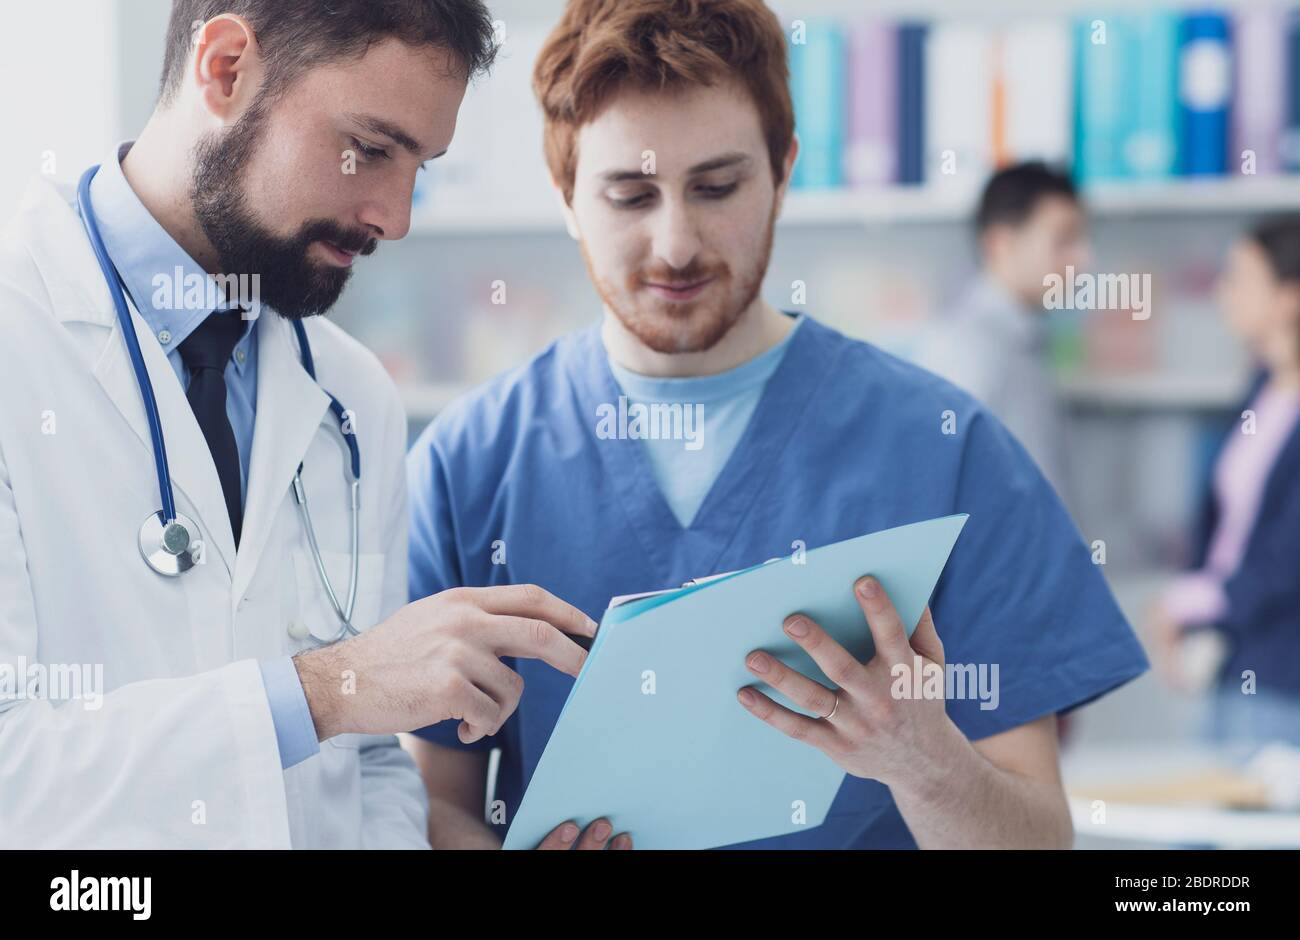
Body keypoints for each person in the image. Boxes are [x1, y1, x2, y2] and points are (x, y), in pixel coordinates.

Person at [405, 0, 1147, 850]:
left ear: (784, 172)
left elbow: (1040, 839)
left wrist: (921, 761)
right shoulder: (469, 464)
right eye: (630, 195)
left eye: (717, 187)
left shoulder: (945, 448)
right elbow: (434, 804)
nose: (676, 244)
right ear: (566, 195)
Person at [0, 0, 596, 849]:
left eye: (418, 165)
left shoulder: (355, 396)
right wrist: (326, 691)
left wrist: (351, 710)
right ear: (226, 68)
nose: (395, 215)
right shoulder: (19, 341)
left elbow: (372, 768)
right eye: (371, 148)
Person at [1149, 218, 1300, 747]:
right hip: (1228, 655)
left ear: (1289, 296)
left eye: (1239, 278)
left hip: (1283, 672)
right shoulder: (1261, 387)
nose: (1223, 293)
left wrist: (1185, 602)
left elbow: (1285, 560)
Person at [912, 162, 1091, 496]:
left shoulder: (1025, 337)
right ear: (1001, 244)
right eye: (1064, 240)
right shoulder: (967, 344)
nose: (1082, 259)